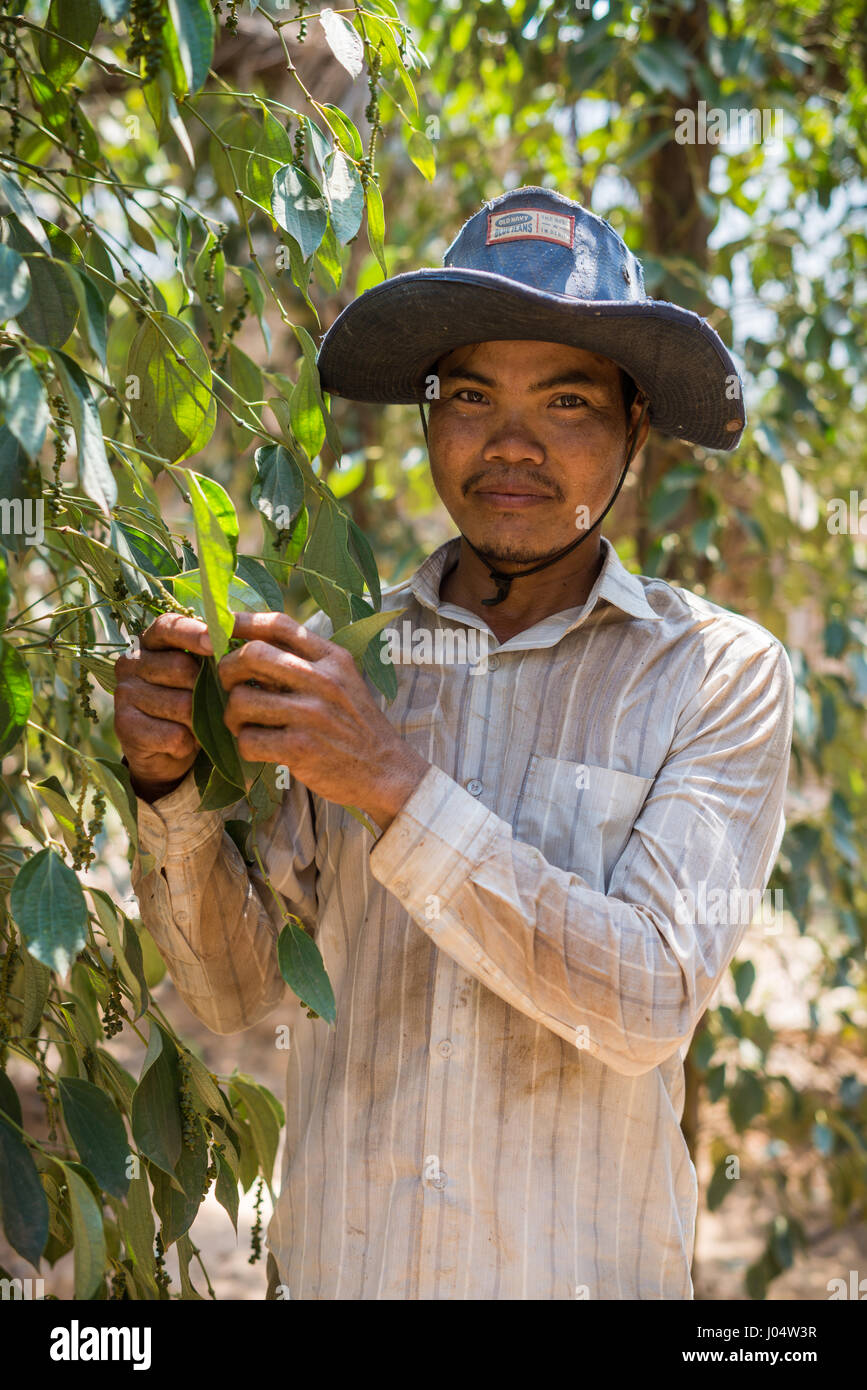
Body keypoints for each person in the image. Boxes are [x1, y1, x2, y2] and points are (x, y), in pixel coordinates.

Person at [113, 187, 794, 1300]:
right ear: (429, 419)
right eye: (469, 394)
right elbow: (236, 996)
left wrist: (391, 783)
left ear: (633, 426)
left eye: (566, 400)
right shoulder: (344, 663)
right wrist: (170, 792)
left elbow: (649, 1004)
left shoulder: (717, 674)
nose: (511, 442)